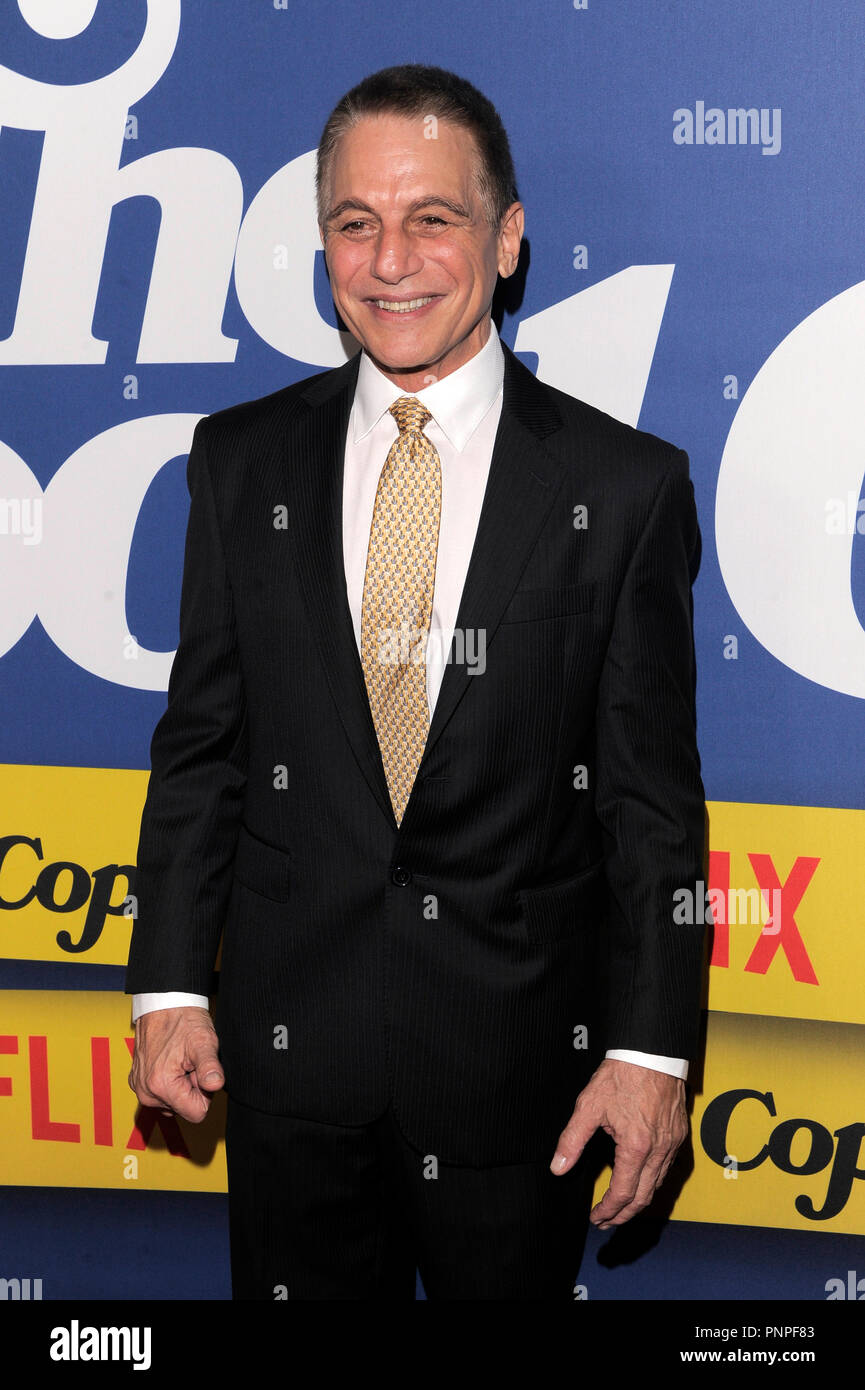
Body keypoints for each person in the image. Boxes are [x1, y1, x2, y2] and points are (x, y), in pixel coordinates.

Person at [126, 63, 707, 1301]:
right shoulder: (238, 465)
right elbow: (203, 753)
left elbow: (650, 812)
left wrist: (652, 1049)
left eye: (432, 219)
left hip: (517, 1087)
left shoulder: (626, 488)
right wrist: (169, 987)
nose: (391, 260)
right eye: (355, 222)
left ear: (505, 240)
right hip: (289, 1085)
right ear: (322, 241)